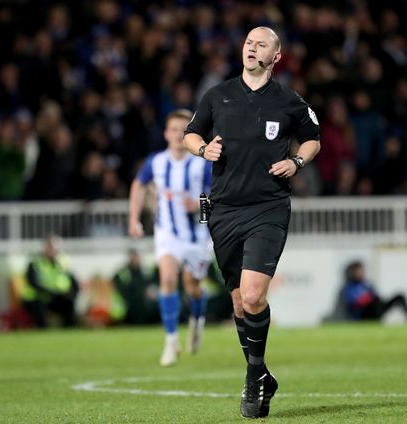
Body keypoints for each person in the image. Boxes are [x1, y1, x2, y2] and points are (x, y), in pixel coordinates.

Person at [183, 26, 321, 419]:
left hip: (268, 208)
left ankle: (253, 378)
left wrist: (296, 162)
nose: (251, 48)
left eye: (261, 44)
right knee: (240, 303)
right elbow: (191, 134)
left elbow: (313, 138)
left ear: (276, 57)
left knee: (254, 295)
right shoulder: (218, 95)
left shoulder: (288, 101)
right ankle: (260, 374)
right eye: (248, 42)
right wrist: (203, 149)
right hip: (224, 209)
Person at [129, 109, 212, 366]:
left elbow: (217, 198)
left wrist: (199, 205)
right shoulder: (156, 162)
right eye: (174, 129)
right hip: (168, 233)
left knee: (192, 286)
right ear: (166, 133)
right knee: (166, 278)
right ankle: (171, 341)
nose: (178, 134)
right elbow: (138, 184)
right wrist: (133, 218)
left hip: (198, 234)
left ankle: (197, 319)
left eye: (183, 129)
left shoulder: (203, 162)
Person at [21, 234, 79, 328]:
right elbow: (33, 283)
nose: (53, 250)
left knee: (69, 303)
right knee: (39, 307)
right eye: (50, 247)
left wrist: (73, 293)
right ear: (45, 247)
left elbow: (73, 281)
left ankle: (68, 329)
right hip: (38, 298)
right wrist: (52, 292)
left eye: (55, 247)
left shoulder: (64, 261)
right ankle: (42, 329)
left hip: (57, 297)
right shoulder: (35, 262)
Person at [342, 261, 407, 322]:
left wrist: (372, 297)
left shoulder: (366, 284)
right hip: (363, 313)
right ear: (353, 273)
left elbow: (377, 296)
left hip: (376, 307)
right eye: (358, 271)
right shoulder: (350, 286)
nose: (361, 273)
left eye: (362, 271)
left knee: (399, 297)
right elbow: (353, 302)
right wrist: (367, 298)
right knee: (374, 303)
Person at [112, 248, 160, 326]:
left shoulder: (146, 271)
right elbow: (122, 289)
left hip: (146, 303)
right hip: (130, 304)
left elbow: (153, 284)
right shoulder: (123, 273)